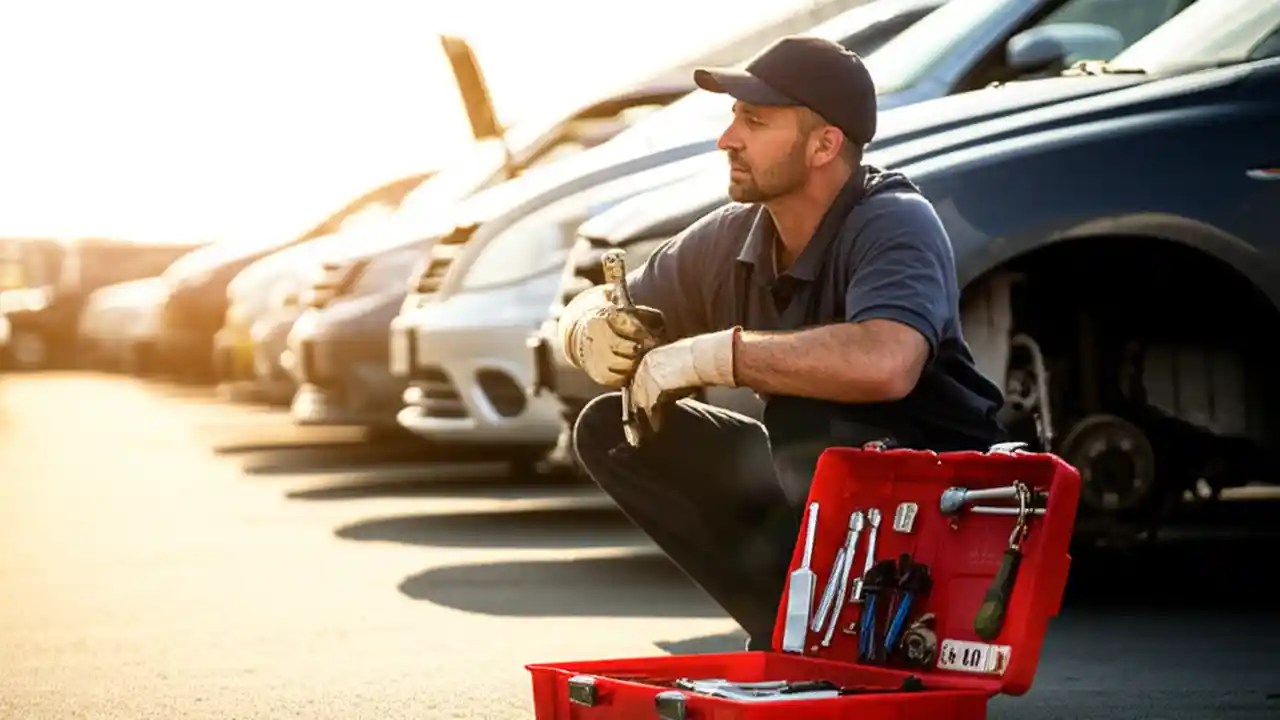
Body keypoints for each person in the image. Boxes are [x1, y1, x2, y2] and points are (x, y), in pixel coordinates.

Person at [557, 35, 1007, 649]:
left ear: (824, 145)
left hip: (939, 500)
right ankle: (791, 633)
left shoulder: (896, 221)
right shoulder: (732, 237)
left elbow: (886, 364)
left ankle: (856, 637)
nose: (728, 139)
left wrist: (715, 355)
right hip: (829, 484)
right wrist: (586, 328)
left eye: (756, 121)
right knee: (613, 429)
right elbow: (604, 301)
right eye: (734, 117)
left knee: (806, 410)